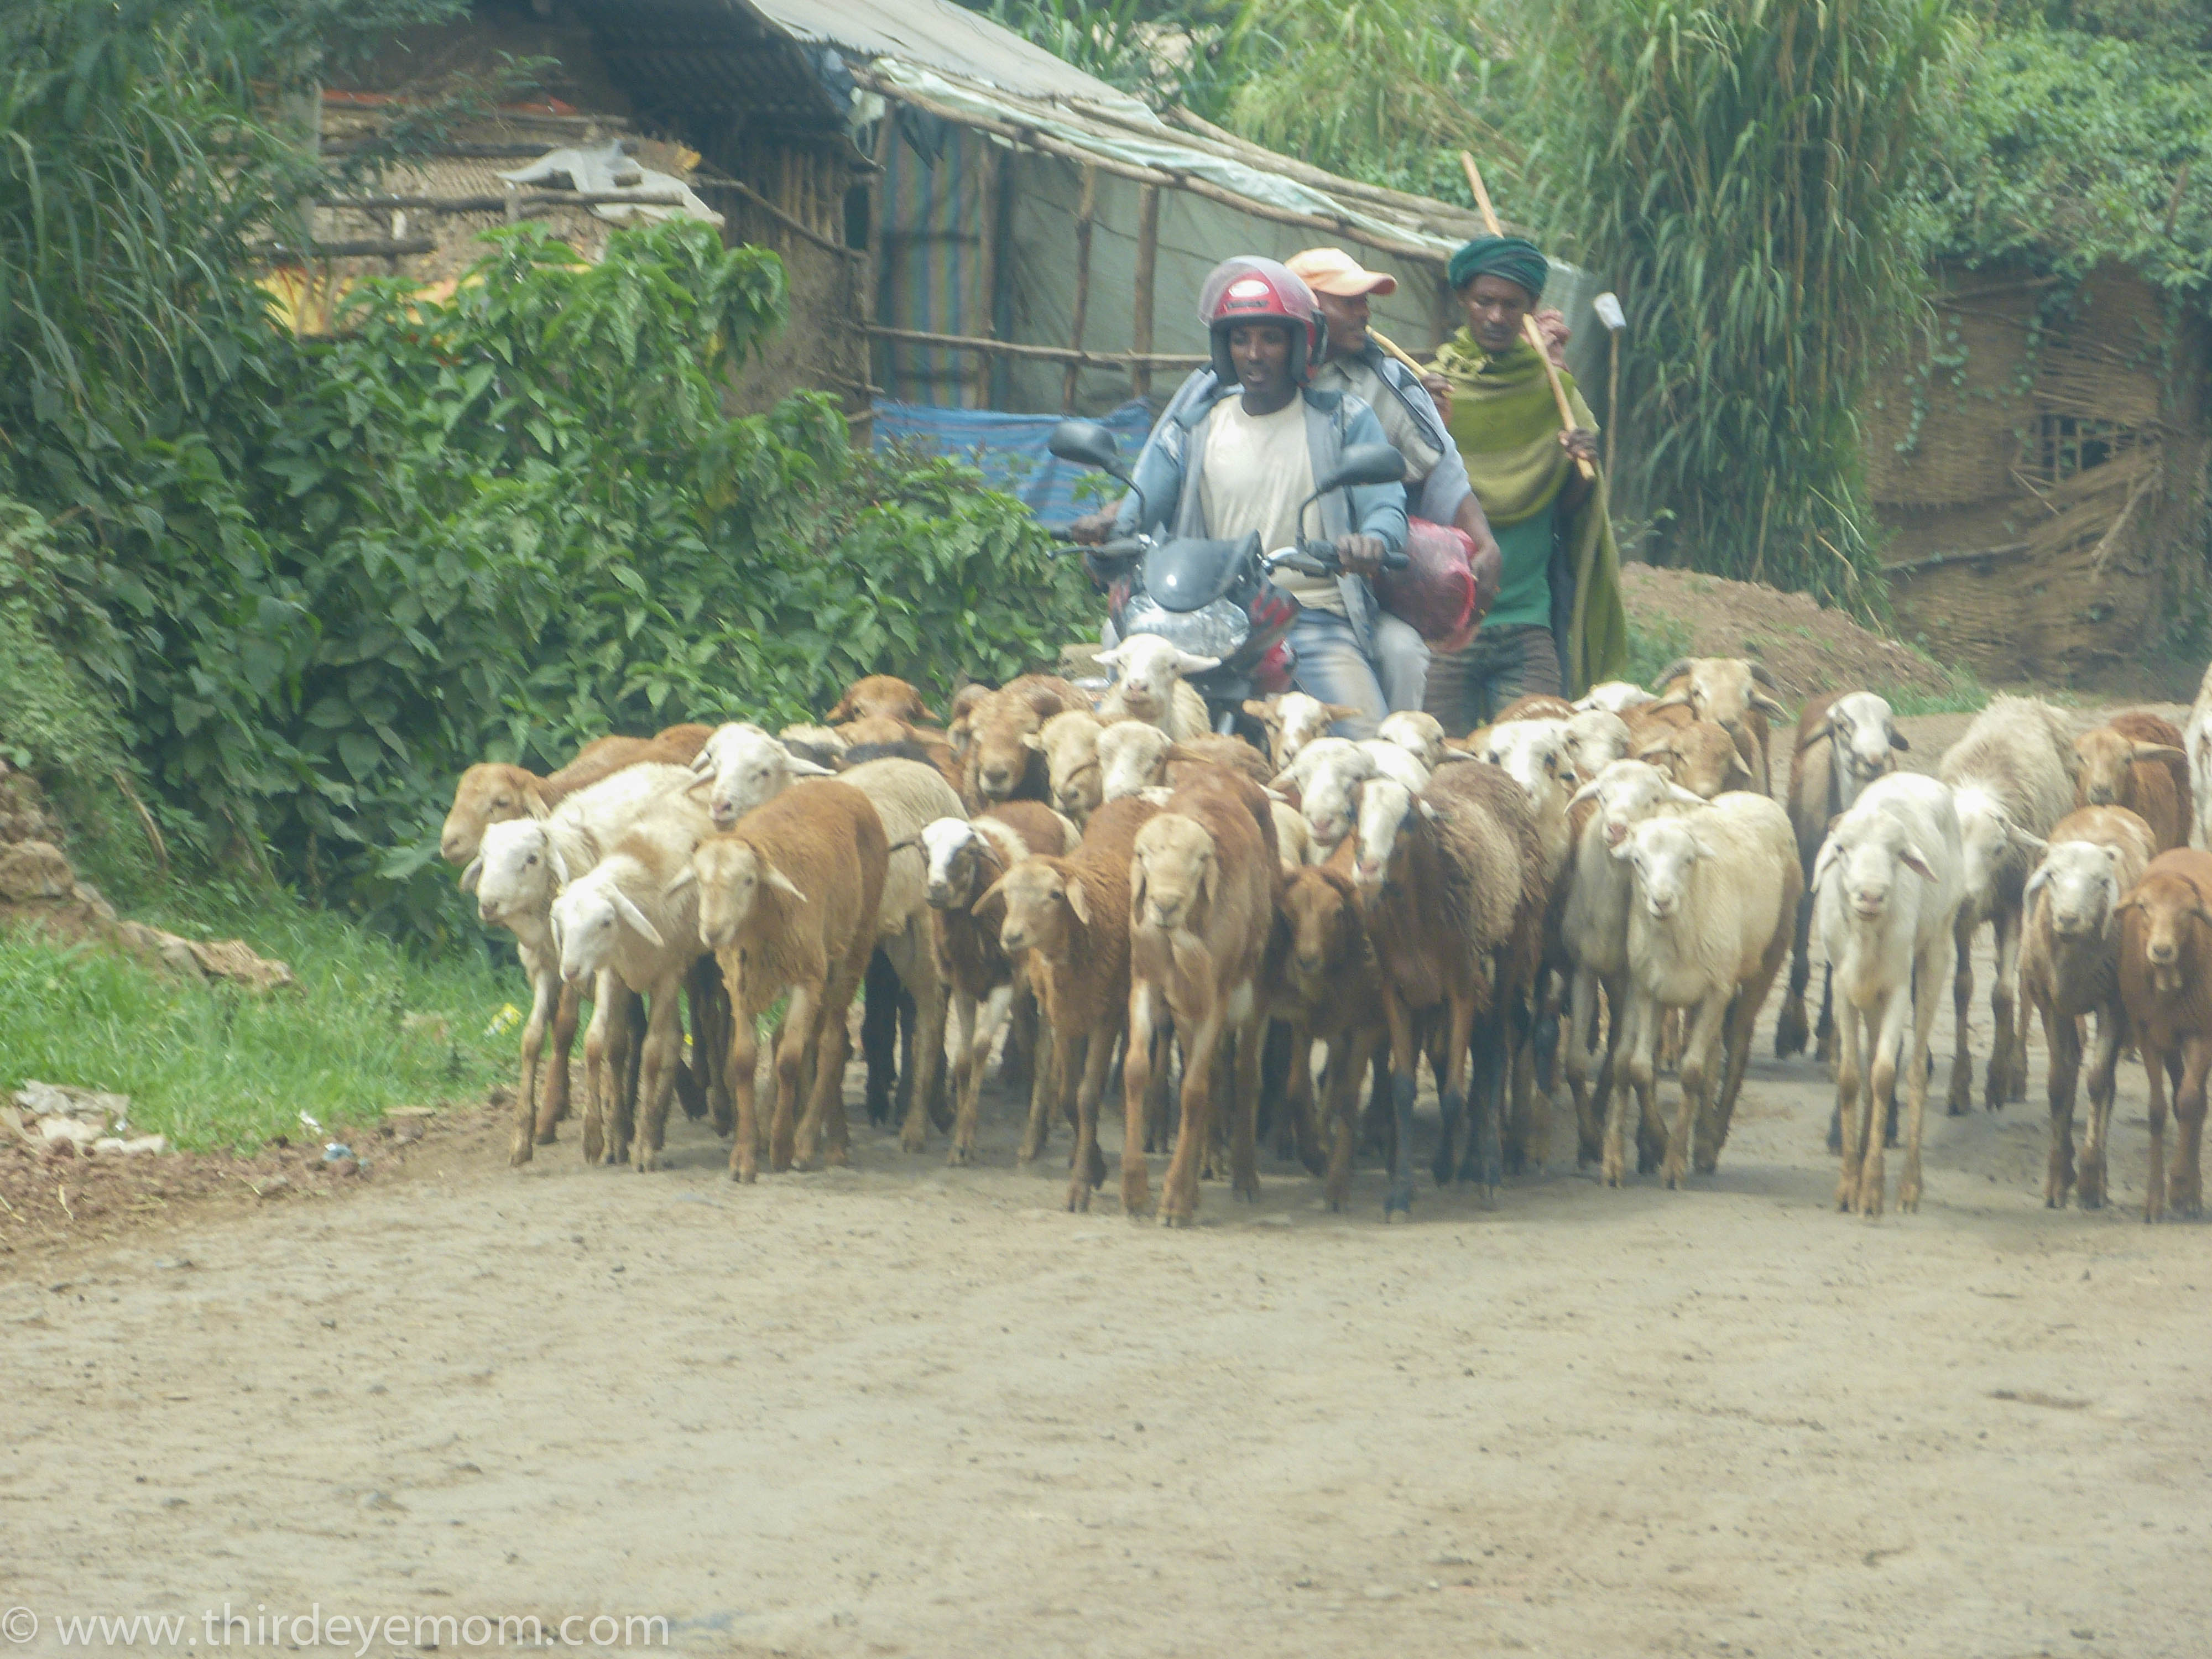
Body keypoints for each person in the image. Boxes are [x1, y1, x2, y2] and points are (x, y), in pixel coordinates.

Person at [1068, 257, 1420, 738]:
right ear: (1223, 346)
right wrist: (1108, 536)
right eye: (1240, 338)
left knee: (1366, 750)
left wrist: (1374, 541)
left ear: (1300, 344)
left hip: (1311, 617)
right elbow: (1139, 513)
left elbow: (1384, 505)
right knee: (1124, 738)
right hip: (1204, 619)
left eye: (1271, 338)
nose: (1254, 353)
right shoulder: (1192, 428)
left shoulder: (1344, 419)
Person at [1421, 234, 1629, 731]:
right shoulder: (1431, 385)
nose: (1496, 316)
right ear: (1463, 302)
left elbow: (1568, 506)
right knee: (1443, 770)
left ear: (1531, 310)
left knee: (1536, 762)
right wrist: (1427, 427)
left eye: (1511, 305)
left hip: (1526, 621)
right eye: (1484, 301)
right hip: (1446, 626)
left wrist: (1583, 465)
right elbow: (1414, 495)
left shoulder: (1554, 390)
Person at [1284, 246, 1504, 603]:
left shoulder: (1388, 384)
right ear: (1304, 307)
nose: (1365, 314)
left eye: (1365, 303)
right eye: (1350, 303)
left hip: (1354, 577)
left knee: (1403, 651)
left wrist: (1486, 544)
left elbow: (1444, 472)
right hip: (1265, 565)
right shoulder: (1253, 382)